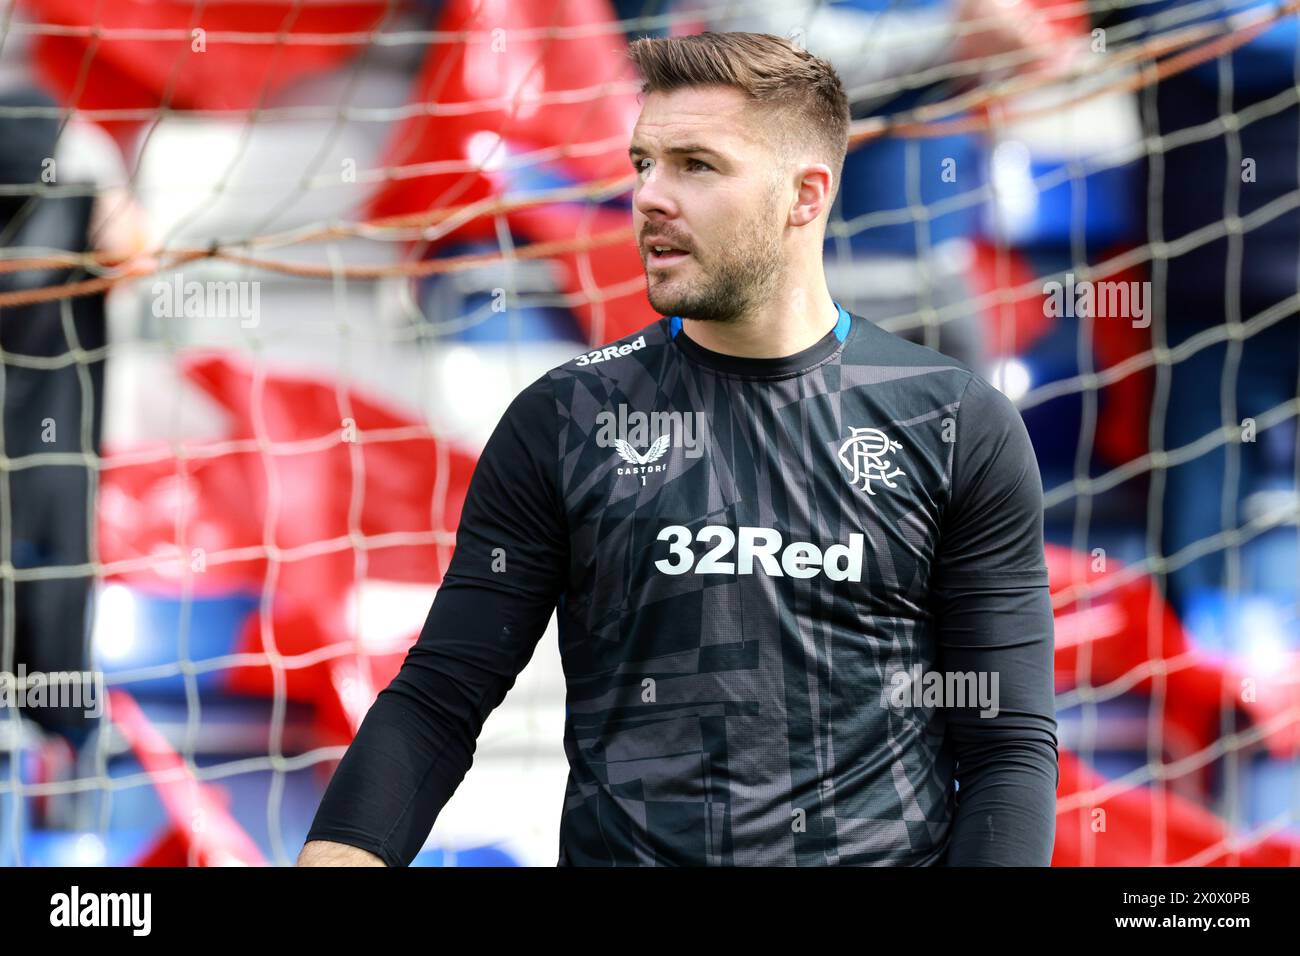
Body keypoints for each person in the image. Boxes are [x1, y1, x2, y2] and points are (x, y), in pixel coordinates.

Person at [299, 31, 1057, 867]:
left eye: (696, 165)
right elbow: (441, 699)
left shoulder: (952, 422)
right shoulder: (567, 417)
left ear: (805, 195)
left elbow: (1008, 748)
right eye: (642, 163)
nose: (651, 197)